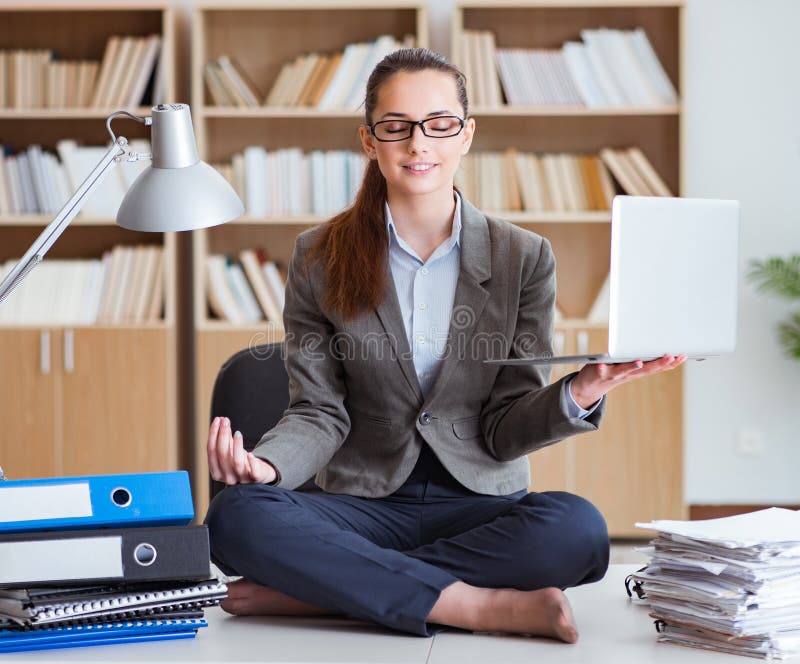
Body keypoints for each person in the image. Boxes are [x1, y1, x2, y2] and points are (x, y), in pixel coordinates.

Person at [205, 47, 684, 643]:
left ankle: (321, 594)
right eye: (396, 127)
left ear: (466, 135)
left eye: (439, 125)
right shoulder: (320, 256)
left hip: (478, 505)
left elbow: (507, 425)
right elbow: (318, 411)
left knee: (579, 531)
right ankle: (479, 607)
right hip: (364, 506)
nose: (417, 143)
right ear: (369, 140)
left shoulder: (523, 257)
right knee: (236, 516)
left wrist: (582, 390)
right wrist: (267, 464)